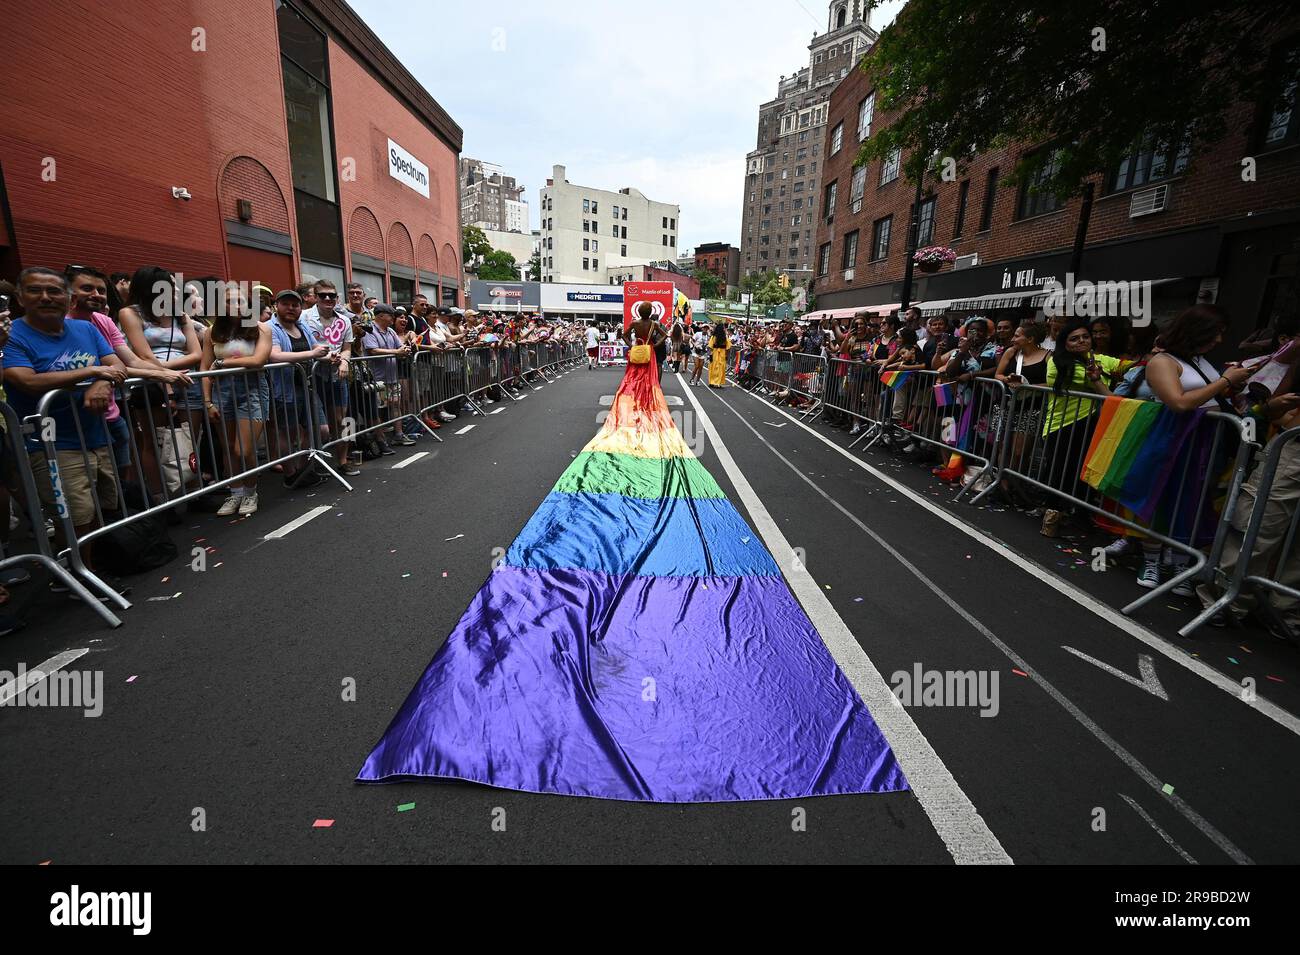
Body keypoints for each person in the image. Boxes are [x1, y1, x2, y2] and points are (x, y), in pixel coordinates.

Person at [2, 268, 127, 583]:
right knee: (74, 514)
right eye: (35, 291)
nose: (45, 297)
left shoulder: (85, 329)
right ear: (20, 297)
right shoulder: (11, 335)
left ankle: (84, 567)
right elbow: (26, 381)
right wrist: (96, 373)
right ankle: (78, 577)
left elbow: (116, 364)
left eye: (54, 291)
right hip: (49, 442)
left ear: (67, 298)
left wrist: (101, 381)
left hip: (95, 434)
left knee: (100, 506)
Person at [65, 266, 192, 481]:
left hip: (111, 409)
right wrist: (163, 378)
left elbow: (128, 361)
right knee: (86, 478)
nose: (96, 295)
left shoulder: (102, 321)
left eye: (101, 290)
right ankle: (157, 501)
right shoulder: (66, 325)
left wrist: (163, 374)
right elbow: (132, 359)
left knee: (118, 468)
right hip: (72, 417)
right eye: (87, 288)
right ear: (68, 292)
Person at [118, 267, 204, 497]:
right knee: (155, 442)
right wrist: (162, 375)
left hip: (187, 381)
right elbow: (143, 356)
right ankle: (160, 496)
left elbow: (197, 354)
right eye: (170, 286)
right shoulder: (130, 313)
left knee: (188, 438)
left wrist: (167, 371)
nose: (176, 291)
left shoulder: (180, 314)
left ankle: (192, 489)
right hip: (149, 385)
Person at [201, 287, 273, 515]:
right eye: (229, 302)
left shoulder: (260, 328)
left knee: (244, 449)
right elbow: (204, 368)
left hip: (251, 389)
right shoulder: (211, 332)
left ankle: (251, 492)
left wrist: (223, 364)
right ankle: (235, 494)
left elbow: (259, 360)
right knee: (228, 449)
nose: (236, 306)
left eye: (241, 301)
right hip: (221, 392)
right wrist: (207, 402)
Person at [268, 288, 331, 488]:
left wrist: (330, 357)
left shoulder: (301, 325)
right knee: (287, 433)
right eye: (285, 304)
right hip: (284, 388)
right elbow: (274, 356)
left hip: (307, 385)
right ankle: (290, 474)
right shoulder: (270, 328)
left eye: (295, 305)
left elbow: (315, 349)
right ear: (276, 306)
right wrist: (313, 355)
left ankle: (303, 469)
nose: (291, 308)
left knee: (321, 430)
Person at [708, 321, 729, 388]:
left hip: (715, 354)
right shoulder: (725, 338)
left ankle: (712, 382)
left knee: (713, 368)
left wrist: (710, 355)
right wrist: (726, 355)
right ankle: (718, 383)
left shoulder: (713, 337)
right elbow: (728, 348)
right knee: (720, 369)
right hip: (722, 354)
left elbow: (710, 347)